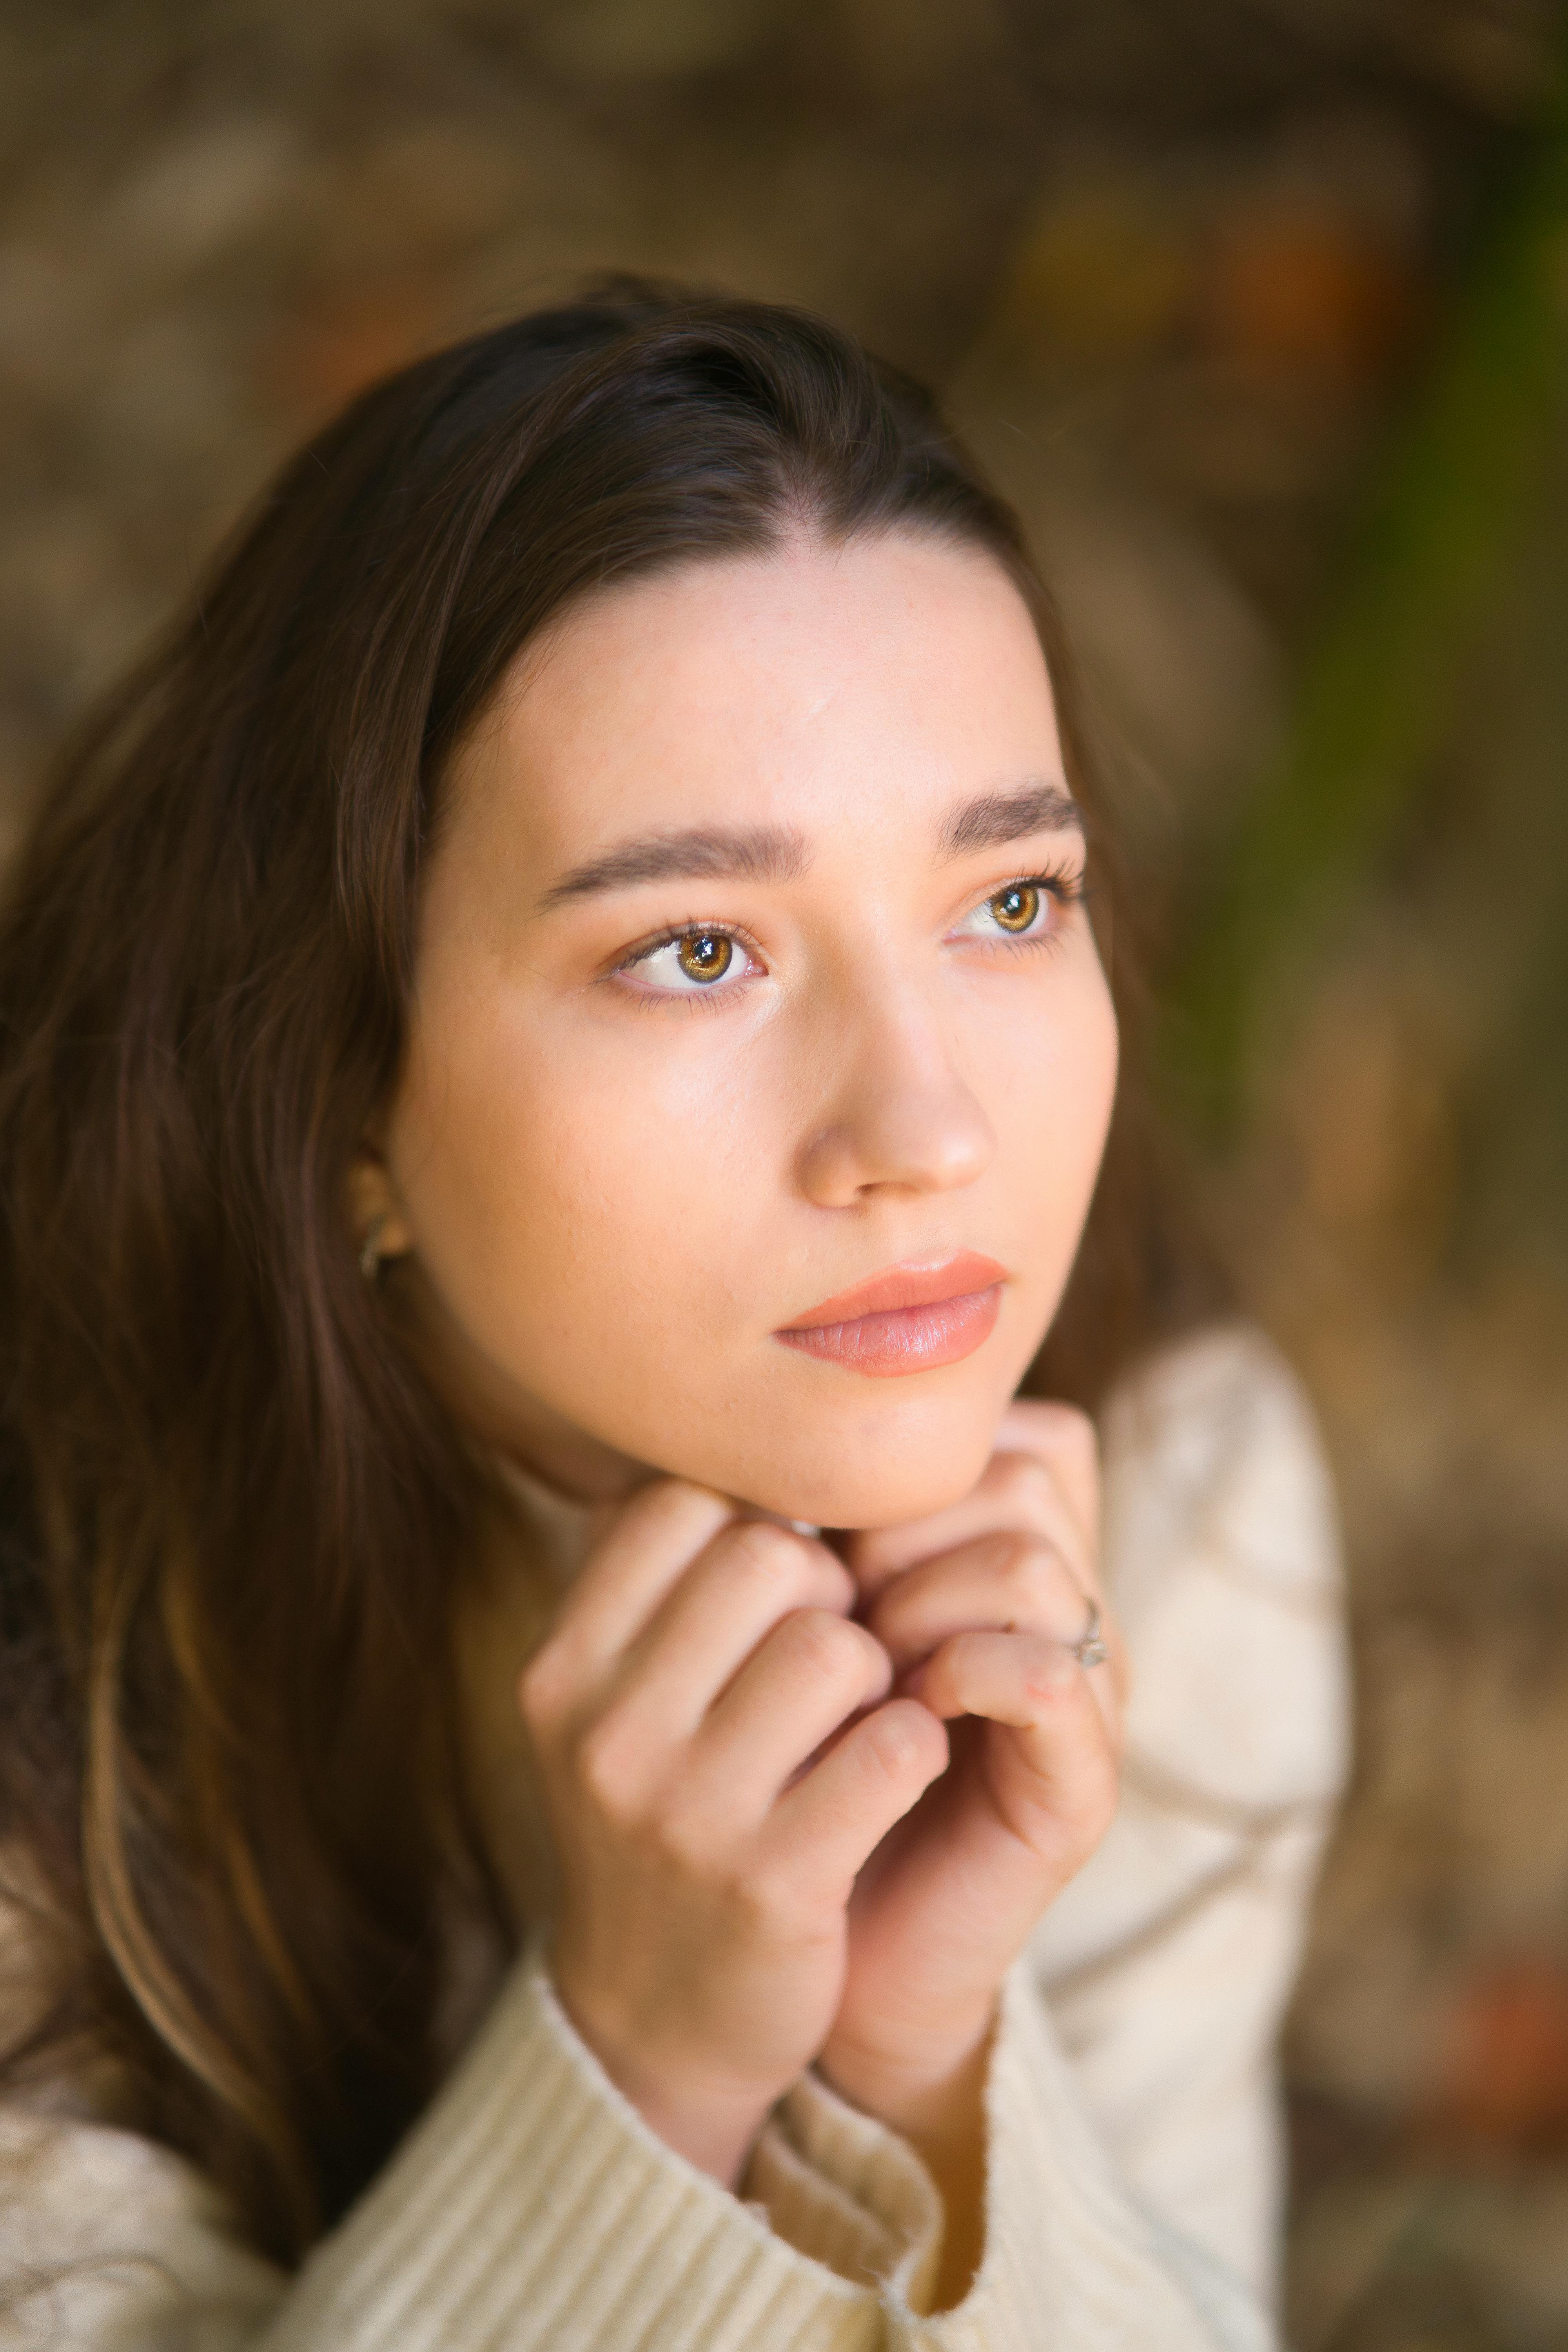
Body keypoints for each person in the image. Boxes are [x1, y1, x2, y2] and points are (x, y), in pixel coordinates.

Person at [0, 284, 1347, 2350]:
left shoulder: (1179, 1488)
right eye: (698, 948)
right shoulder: (49, 1675)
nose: (923, 1131)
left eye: (1009, 903)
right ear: (342, 1096)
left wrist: (920, 2066)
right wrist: (639, 2078)